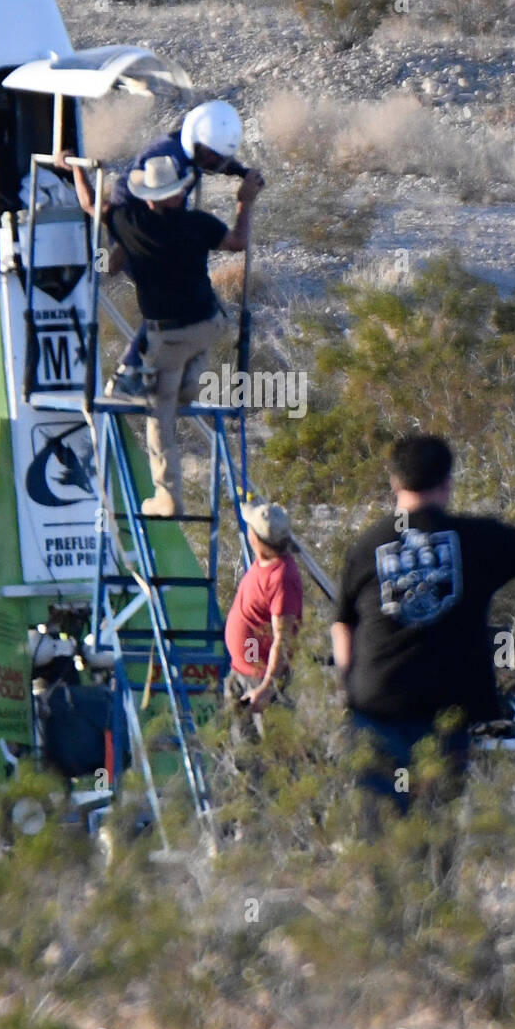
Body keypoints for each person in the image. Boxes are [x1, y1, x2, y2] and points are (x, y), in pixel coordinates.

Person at [331, 433, 515, 814]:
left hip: (375, 705)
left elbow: (342, 623)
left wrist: (348, 683)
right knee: (436, 823)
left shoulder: (365, 545)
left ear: (395, 482)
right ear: (448, 483)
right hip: (445, 711)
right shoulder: (475, 539)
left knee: (382, 825)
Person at [57, 148, 255, 517]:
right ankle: (190, 384)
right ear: (181, 192)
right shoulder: (199, 223)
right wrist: (245, 201)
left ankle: (168, 497)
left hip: (169, 337)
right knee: (188, 369)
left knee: (158, 415)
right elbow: (237, 242)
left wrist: (75, 171)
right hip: (209, 323)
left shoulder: (130, 222)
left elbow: (90, 204)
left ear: (148, 197)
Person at [104, 100, 265, 398]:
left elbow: (215, 160)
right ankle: (130, 372)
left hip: (154, 221)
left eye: (219, 158)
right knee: (171, 295)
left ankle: (167, 376)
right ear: (197, 144)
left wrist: (241, 172)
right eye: (212, 157)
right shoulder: (170, 162)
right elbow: (140, 209)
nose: (215, 164)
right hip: (134, 225)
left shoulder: (191, 146)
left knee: (183, 299)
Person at [224, 501, 303, 739]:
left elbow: (284, 637)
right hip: (243, 672)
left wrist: (267, 687)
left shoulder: (282, 578)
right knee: (244, 755)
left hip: (259, 680)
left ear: (255, 538)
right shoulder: (264, 562)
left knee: (270, 756)